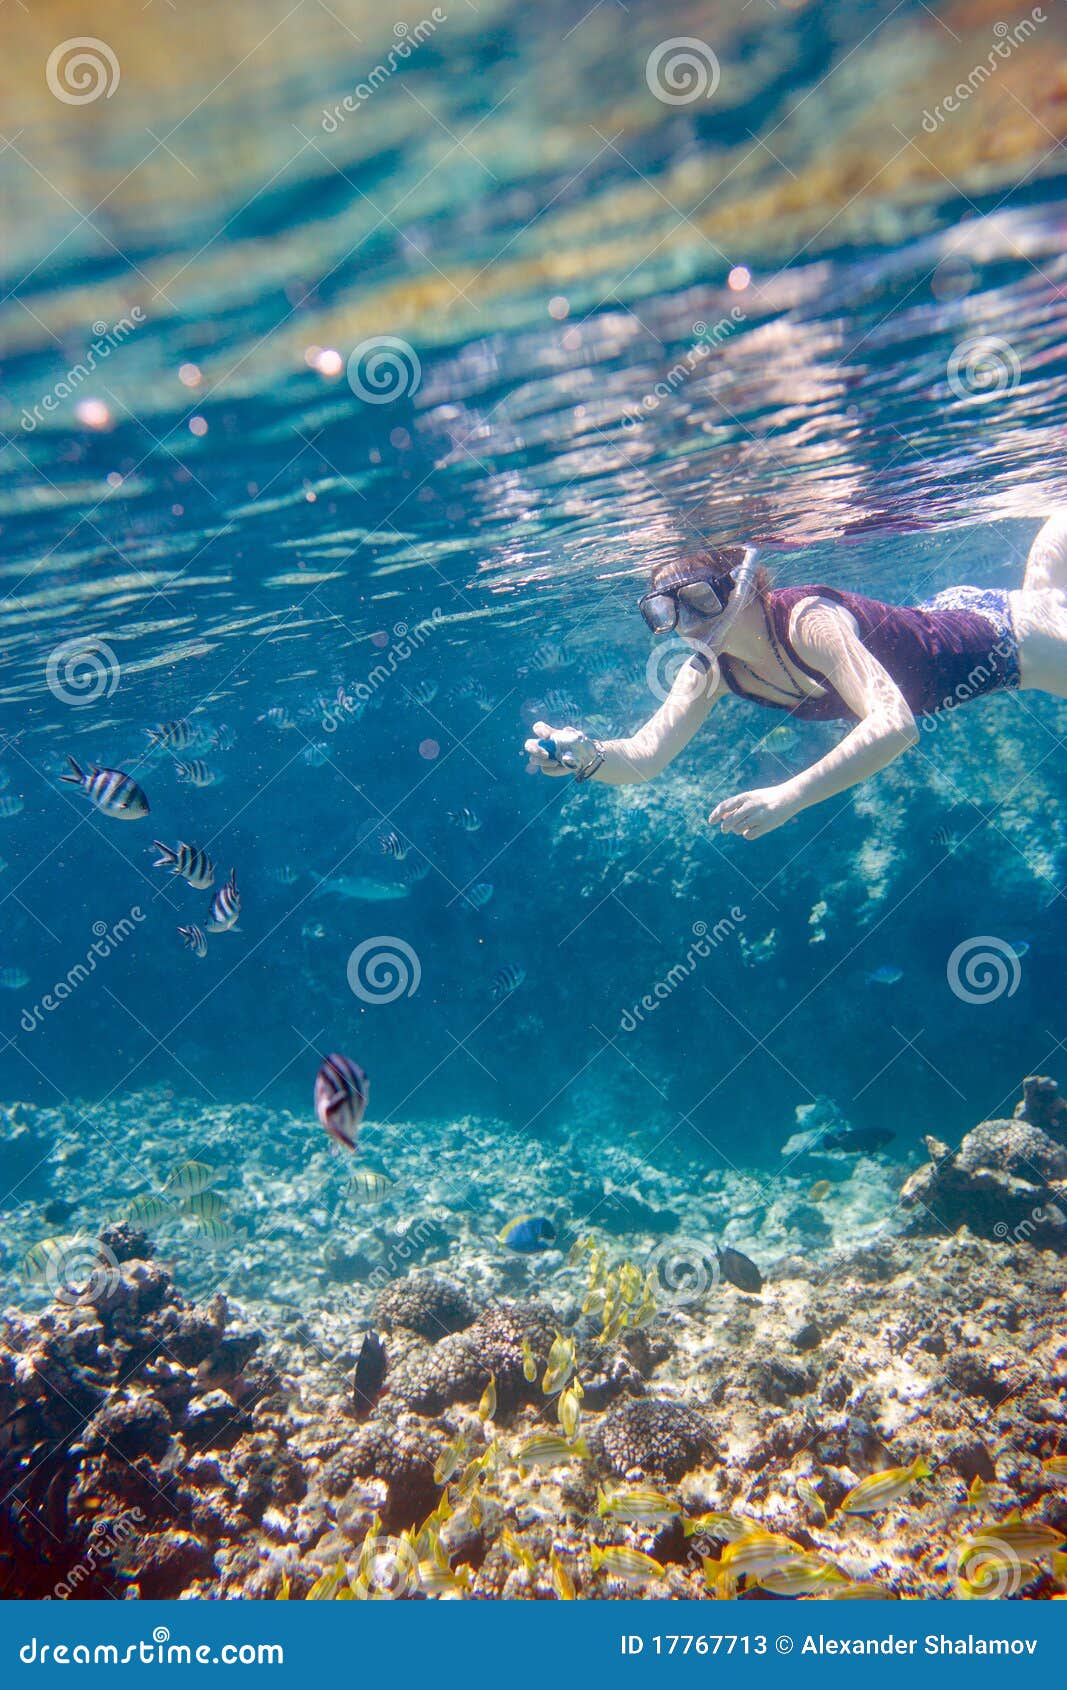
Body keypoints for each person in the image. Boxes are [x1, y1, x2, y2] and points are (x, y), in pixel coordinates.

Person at [523, 514, 1067, 840]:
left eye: (698, 599)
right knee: (1048, 586)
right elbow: (644, 757)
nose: (687, 624)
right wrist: (587, 754)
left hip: (1019, 643)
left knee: (1047, 598)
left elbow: (895, 724)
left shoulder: (808, 621)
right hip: (963, 616)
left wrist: (788, 797)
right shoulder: (712, 669)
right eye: (666, 612)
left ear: (739, 585)